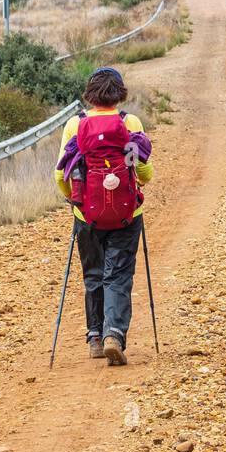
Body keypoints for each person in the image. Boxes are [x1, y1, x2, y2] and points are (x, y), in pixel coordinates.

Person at [54, 67, 153, 366]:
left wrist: (73, 198)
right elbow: (143, 171)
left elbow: (61, 174)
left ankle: (95, 337)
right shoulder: (129, 122)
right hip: (126, 214)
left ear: (90, 93)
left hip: (87, 215)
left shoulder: (75, 124)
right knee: (119, 275)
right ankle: (114, 333)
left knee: (93, 274)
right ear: (119, 93)